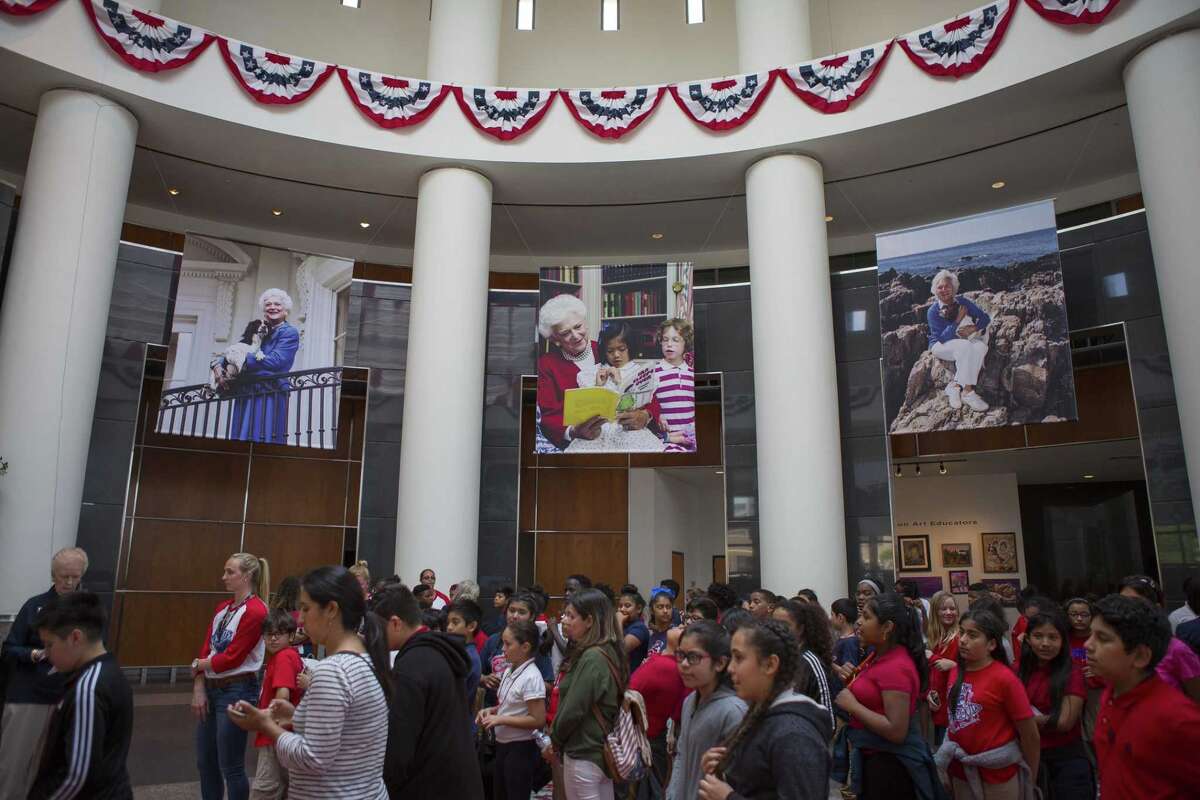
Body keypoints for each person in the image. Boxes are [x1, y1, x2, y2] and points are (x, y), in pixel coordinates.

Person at [227, 566, 391, 800]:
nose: (301, 619)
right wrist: (297, 716)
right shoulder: (367, 659)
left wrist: (265, 725)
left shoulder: (332, 671)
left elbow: (312, 759)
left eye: (305, 608)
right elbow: (348, 732)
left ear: (331, 609)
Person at [368, 584, 483, 799]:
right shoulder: (438, 650)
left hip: (431, 784)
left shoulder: (412, 665)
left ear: (395, 623)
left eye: (376, 628)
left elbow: (399, 746)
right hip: (457, 779)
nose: (374, 636)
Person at [696, 619, 831, 800]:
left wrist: (728, 797)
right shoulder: (761, 714)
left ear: (770, 665)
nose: (730, 668)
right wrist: (723, 770)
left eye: (739, 658)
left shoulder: (794, 735)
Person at [1086, 594, 1200, 799]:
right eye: (1090, 634)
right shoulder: (1111, 693)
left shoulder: (1176, 717)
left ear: (1140, 656)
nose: (1088, 645)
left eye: (1102, 638)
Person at [0, 546, 87, 800]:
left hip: (67, 698)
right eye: (63, 576)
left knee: (52, 769)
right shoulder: (34, 606)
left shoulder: (87, 610)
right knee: (13, 766)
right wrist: (35, 654)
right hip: (29, 696)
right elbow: (9, 649)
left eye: (74, 576)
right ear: (53, 575)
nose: (69, 582)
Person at [25, 591, 132, 800]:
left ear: (75, 637)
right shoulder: (108, 670)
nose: (46, 654)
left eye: (49, 644)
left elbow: (77, 776)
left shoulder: (88, 688)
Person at [837, 593, 943, 800]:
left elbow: (896, 731)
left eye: (866, 617)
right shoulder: (877, 655)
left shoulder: (896, 666)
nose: (859, 622)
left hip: (890, 767)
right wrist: (851, 680)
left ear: (887, 627)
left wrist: (852, 706)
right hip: (874, 758)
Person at [936, 609, 1039, 800]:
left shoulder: (1005, 679)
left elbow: (1030, 735)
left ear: (991, 644)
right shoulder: (956, 671)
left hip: (998, 775)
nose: (963, 640)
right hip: (960, 770)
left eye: (972, 635)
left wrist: (1031, 779)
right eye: (962, 632)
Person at [536, 294, 659, 451]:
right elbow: (548, 415)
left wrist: (646, 415)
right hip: (584, 440)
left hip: (624, 434)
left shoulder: (609, 350)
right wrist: (573, 432)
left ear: (585, 323)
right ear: (554, 339)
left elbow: (646, 391)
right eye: (565, 333)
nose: (575, 336)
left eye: (578, 326)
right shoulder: (547, 364)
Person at [192, 553, 270, 800]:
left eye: (230, 572)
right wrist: (199, 684)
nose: (223, 577)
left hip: (237, 689)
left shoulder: (256, 610)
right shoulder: (222, 608)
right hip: (211, 687)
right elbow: (208, 647)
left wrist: (199, 665)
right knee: (206, 761)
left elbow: (232, 657)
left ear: (247, 576)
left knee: (231, 766)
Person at [550, 588, 626, 800]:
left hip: (584, 753)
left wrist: (554, 739)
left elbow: (574, 709)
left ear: (590, 621)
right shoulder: (608, 650)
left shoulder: (592, 657)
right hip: (598, 752)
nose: (564, 620)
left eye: (571, 616)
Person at [1016, 608, 1094, 799]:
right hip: (1026, 758)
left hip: (1067, 761)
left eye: (1053, 637)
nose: (1045, 643)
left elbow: (1064, 722)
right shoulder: (1016, 670)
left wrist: (1021, 721)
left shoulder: (1072, 672)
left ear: (1063, 641)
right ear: (1027, 639)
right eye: (1038, 636)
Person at [666, 621, 746, 800]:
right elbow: (681, 755)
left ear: (720, 663)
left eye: (693, 657)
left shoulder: (733, 712)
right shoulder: (689, 701)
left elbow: (738, 779)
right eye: (680, 655)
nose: (684, 664)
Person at [478, 619, 548, 800]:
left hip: (521, 748)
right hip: (504, 745)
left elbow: (537, 719)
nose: (503, 649)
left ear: (525, 647)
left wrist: (501, 719)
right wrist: (493, 711)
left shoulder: (531, 677)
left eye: (508, 644)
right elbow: (512, 706)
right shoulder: (511, 669)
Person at [228, 288, 300, 443]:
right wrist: (217, 364)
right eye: (268, 304)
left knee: (263, 435)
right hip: (247, 389)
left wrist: (243, 360)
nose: (272, 307)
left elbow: (276, 361)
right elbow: (238, 348)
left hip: (270, 390)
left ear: (285, 310)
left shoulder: (290, 332)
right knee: (241, 436)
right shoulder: (259, 329)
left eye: (277, 304)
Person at [249, 610, 304, 800]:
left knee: (265, 790)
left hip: (275, 734)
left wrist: (269, 721)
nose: (272, 639)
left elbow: (283, 694)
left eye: (278, 634)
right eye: (268, 634)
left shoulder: (283, 657)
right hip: (285, 733)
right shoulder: (288, 655)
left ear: (291, 636)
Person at [1117, 574, 1200, 700]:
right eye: (1121, 603)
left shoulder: (1176, 650)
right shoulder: (1116, 647)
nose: (1126, 610)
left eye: (1136, 603)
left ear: (1156, 608)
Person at [629, 626, 688, 798]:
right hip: (647, 738)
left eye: (686, 628)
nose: (681, 625)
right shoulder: (660, 660)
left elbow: (629, 692)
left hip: (646, 739)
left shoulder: (665, 667)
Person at [926, 269, 992, 413]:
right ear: (935, 290)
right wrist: (958, 319)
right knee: (965, 346)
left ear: (953, 288)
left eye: (947, 286)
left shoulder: (962, 301)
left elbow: (985, 318)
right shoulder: (932, 311)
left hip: (963, 340)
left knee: (981, 347)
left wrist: (974, 328)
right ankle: (962, 390)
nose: (944, 290)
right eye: (940, 287)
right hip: (940, 345)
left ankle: (961, 388)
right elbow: (942, 338)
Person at [482, 592, 555, 707]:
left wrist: (518, 684)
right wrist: (485, 679)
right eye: (511, 610)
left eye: (522, 612)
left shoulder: (536, 645)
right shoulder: (493, 640)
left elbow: (549, 686)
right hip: (492, 706)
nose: (515, 616)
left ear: (531, 616)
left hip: (522, 709)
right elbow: (477, 673)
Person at [771, 599, 836, 729]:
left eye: (785, 625)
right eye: (774, 624)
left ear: (800, 629)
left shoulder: (811, 663)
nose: (777, 630)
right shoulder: (774, 659)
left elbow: (829, 721)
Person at [1061, 598, 1103, 764]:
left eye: (1084, 615)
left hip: (1096, 690)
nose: (1079, 619)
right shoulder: (1063, 638)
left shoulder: (1100, 638)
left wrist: (1099, 672)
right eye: (1074, 614)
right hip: (1069, 691)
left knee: (1095, 733)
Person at [653, 318, 697, 452]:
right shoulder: (654, 373)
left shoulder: (692, 374)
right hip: (667, 438)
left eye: (675, 340)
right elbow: (648, 404)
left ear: (686, 343)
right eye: (665, 340)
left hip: (690, 437)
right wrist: (658, 415)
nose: (669, 344)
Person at [926, 591, 961, 746]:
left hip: (954, 708)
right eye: (943, 609)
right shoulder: (936, 639)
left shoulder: (959, 638)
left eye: (952, 609)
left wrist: (952, 665)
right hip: (939, 706)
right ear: (935, 612)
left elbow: (971, 669)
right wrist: (929, 692)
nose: (948, 612)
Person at [447, 598, 484, 705]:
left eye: (455, 622)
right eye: (448, 622)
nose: (449, 627)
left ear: (471, 626)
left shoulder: (468, 657)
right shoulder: (459, 651)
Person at [618, 590, 651, 672]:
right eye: (620, 606)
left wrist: (618, 621)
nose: (622, 609)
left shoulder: (640, 628)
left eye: (627, 606)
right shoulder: (624, 625)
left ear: (638, 609)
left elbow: (621, 649)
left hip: (633, 676)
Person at [830, 597, 861, 670]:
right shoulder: (845, 640)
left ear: (840, 617)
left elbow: (849, 672)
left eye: (832, 615)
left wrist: (830, 664)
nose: (830, 618)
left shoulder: (850, 643)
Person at [647, 587, 676, 656]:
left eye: (668, 607)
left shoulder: (675, 634)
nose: (665, 611)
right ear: (651, 610)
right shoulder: (652, 636)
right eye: (660, 607)